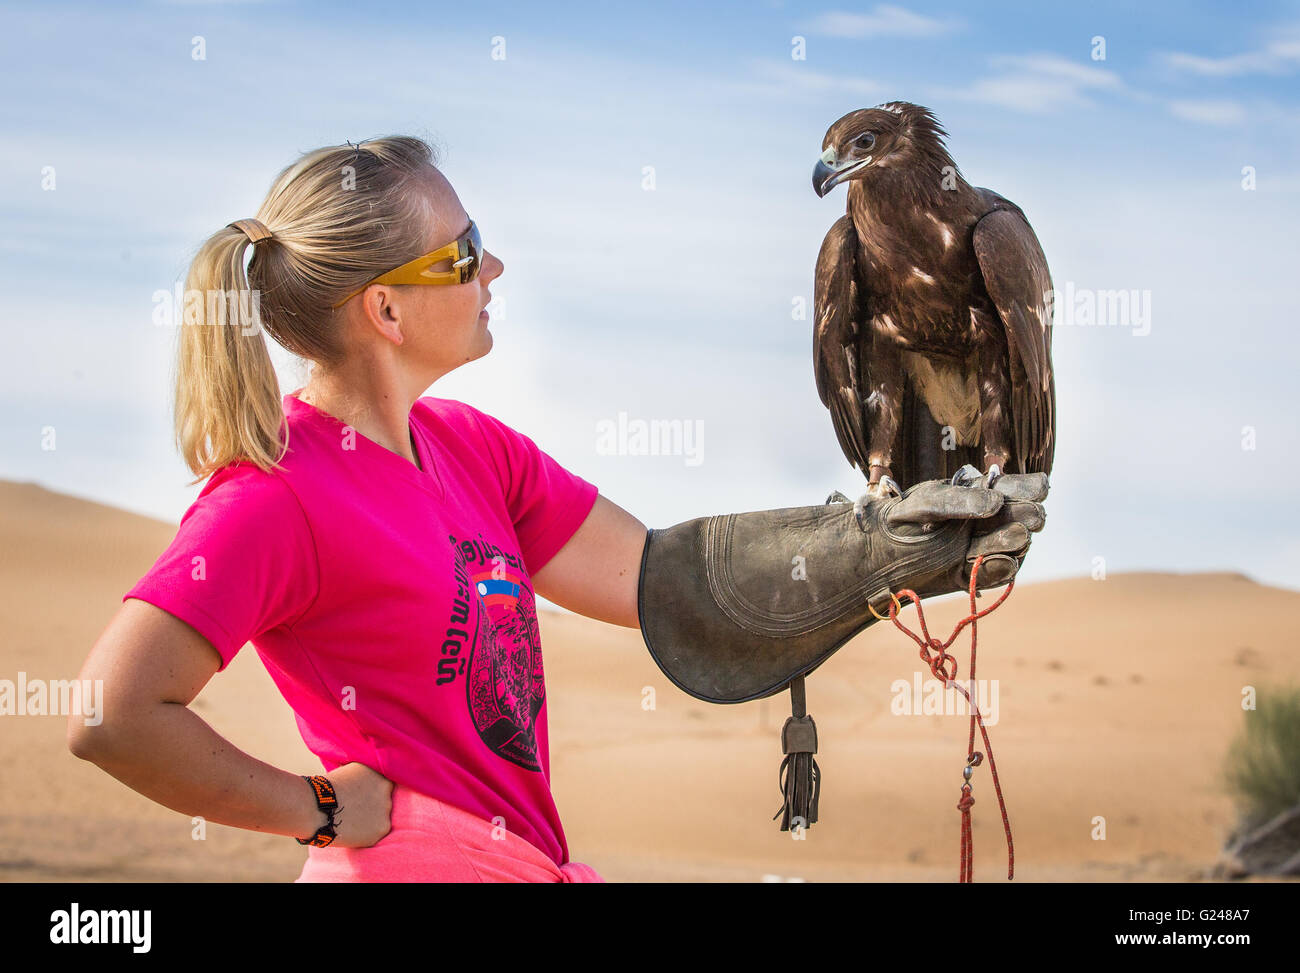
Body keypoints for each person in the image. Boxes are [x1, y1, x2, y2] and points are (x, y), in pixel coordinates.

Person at [68, 136, 1048, 883]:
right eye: (466, 253)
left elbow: (658, 578)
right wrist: (316, 805)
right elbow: (113, 713)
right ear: (386, 310)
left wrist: (885, 543)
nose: (494, 271)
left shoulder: (469, 448)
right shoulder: (276, 496)